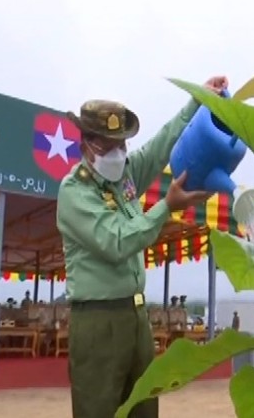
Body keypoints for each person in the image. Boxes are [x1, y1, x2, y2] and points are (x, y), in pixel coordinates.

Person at [55, 75, 226, 418]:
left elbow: (161, 145)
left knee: (144, 407)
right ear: (87, 145)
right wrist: (166, 206)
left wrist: (197, 101)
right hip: (98, 321)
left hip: (136, 316)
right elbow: (118, 241)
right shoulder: (75, 192)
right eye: (109, 146)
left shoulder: (125, 176)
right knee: (98, 410)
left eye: (122, 144)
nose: (118, 153)